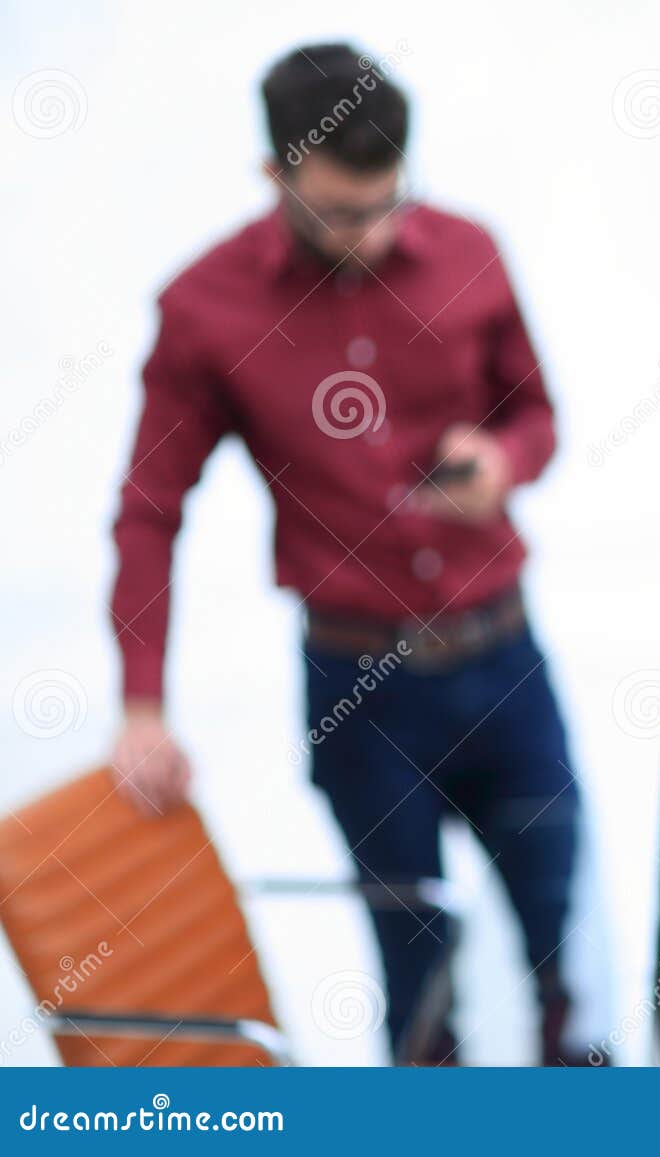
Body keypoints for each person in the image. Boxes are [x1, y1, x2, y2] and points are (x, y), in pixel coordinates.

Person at [107, 42, 598, 1066]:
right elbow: (151, 508)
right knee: (417, 996)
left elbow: (538, 416)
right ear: (275, 175)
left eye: (385, 205)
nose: (370, 235)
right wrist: (144, 704)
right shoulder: (202, 310)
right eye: (338, 212)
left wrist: (501, 459)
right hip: (361, 695)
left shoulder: (471, 251)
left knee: (571, 968)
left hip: (507, 662)